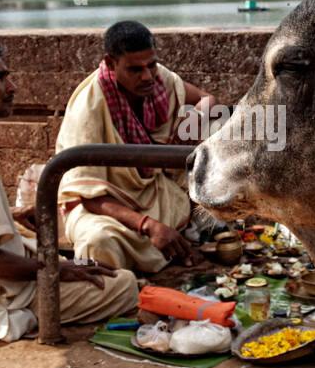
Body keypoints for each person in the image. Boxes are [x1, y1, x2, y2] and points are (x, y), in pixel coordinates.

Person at [0, 38, 138, 346]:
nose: (12, 86)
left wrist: (12, 215)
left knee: (78, 259)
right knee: (125, 285)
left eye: (7, 76)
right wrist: (60, 269)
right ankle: (39, 307)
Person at [55, 21, 216, 272]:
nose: (148, 76)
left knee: (217, 137)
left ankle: (168, 242)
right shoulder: (88, 109)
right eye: (135, 69)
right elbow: (89, 197)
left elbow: (207, 99)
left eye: (151, 65)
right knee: (100, 242)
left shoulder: (160, 78)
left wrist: (195, 119)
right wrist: (148, 226)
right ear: (110, 63)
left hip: (153, 190)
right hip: (101, 207)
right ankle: (120, 291)